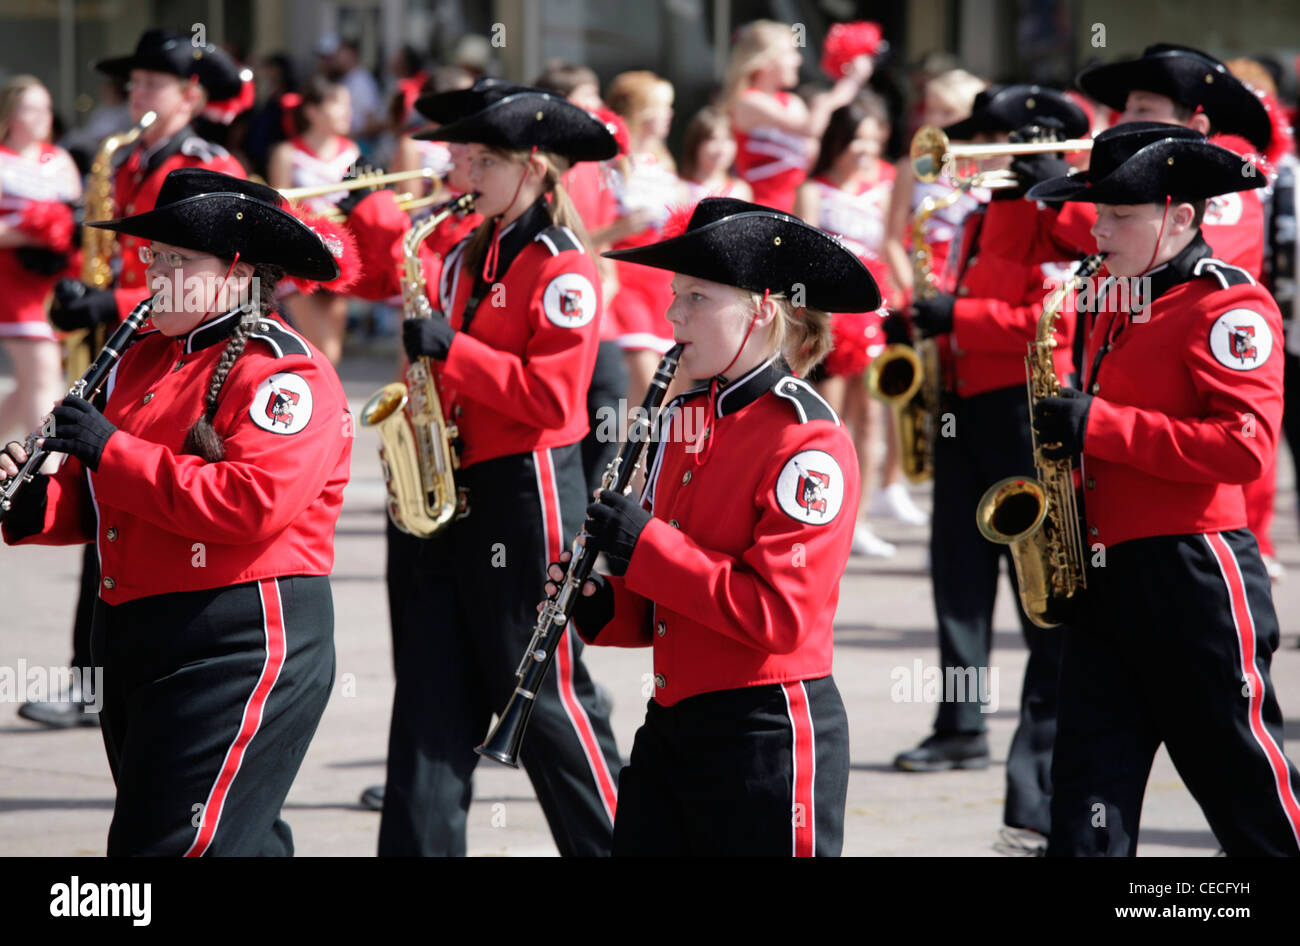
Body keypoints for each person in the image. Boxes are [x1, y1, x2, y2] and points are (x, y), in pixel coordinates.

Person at [0, 168, 353, 855]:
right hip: (138, 635)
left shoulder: (284, 369)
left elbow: (250, 505)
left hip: (237, 640)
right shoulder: (141, 359)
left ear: (238, 271)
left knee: (165, 846)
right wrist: (34, 498)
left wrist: (109, 451)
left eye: (177, 261)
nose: (155, 275)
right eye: (152, 258)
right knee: (230, 841)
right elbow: (107, 501)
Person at [547, 196, 875, 855]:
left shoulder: (806, 436)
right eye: (675, 295)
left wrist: (645, 542)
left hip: (766, 733)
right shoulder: (682, 419)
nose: (671, 314)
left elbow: (776, 617)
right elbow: (673, 602)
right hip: (673, 723)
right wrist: (602, 605)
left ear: (759, 308)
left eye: (695, 297)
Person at [1026, 123, 1300, 856]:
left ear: (1181, 217)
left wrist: (1101, 427)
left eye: (1119, 214)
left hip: (1194, 575)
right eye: (1097, 211)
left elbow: (1244, 448)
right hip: (1105, 577)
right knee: (1085, 805)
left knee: (1249, 798)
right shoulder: (1113, 294)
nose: (1097, 228)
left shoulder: (1228, 306)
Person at [376, 85, 624, 856]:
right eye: (460, 157)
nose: (462, 173)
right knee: (428, 700)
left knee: (544, 692)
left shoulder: (565, 266)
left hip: (529, 488)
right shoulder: (461, 253)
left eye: (480, 160)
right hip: (454, 492)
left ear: (535, 169)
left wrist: (453, 349)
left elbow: (552, 398)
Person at [19, 28, 247, 730]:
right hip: (135, 343)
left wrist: (112, 303)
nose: (137, 96)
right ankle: (94, 680)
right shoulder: (127, 159)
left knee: (133, 496)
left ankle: (107, 682)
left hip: (187, 357)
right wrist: (83, 292)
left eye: (154, 85)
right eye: (135, 84)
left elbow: (222, 282)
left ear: (192, 95)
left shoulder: (211, 164)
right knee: (102, 502)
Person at [885, 86, 1091, 856]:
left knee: (1038, 592)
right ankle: (961, 723)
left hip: (1025, 407)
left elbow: (1056, 316)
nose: (988, 153)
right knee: (958, 575)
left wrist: (960, 317)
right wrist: (921, 322)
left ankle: (1042, 757)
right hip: (967, 404)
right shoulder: (977, 216)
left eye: (1004, 140)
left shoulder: (1057, 212)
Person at [793, 92, 915, 558]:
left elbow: (889, 243)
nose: (865, 149)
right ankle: (819, 516)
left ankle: (858, 521)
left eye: (872, 139)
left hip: (872, 312)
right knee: (828, 420)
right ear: (837, 141)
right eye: (855, 140)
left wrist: (906, 297)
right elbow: (801, 254)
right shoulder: (813, 189)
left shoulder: (883, 188)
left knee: (871, 423)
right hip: (827, 316)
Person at [723, 19, 873, 213]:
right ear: (766, 61)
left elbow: (816, 143)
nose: (798, 60)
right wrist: (849, 82)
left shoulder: (792, 102)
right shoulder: (749, 101)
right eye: (790, 53)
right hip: (762, 212)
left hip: (798, 211)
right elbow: (809, 128)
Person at [0, 75, 79, 441]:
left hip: (55, 276)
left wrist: (62, 230)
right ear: (11, 114)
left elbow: (78, 217)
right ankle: (44, 472)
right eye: (32, 108)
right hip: (12, 278)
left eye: (46, 108)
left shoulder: (60, 158)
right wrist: (33, 232)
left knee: (31, 382)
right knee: (44, 370)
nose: (43, 116)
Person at [269, 76, 360, 365]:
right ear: (312, 111)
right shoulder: (287, 153)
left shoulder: (352, 152)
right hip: (300, 258)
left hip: (339, 253)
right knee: (322, 347)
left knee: (333, 349)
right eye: (338, 104)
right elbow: (281, 211)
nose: (348, 112)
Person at [678, 106, 752, 202]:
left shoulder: (741, 191)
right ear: (695, 144)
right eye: (712, 139)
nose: (721, 148)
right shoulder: (680, 189)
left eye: (728, 138)